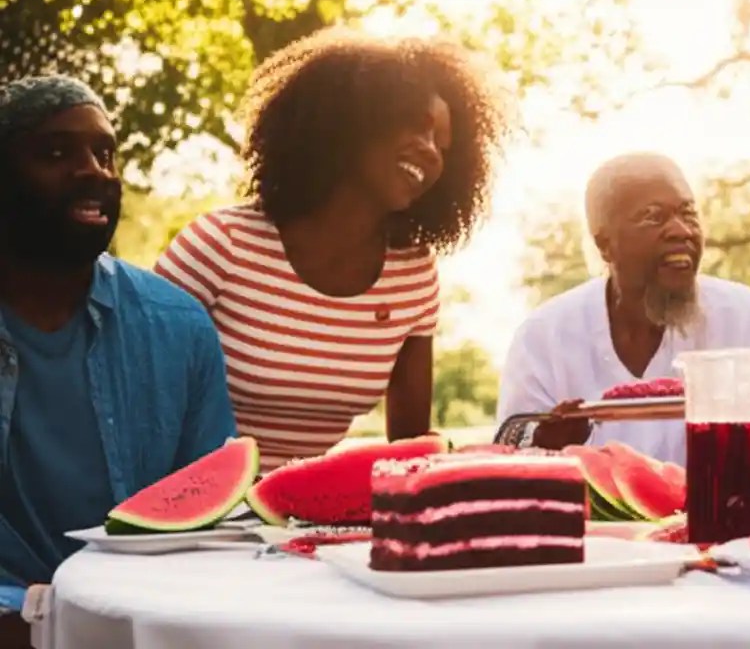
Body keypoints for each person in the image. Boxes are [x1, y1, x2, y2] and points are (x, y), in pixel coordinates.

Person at [156, 28, 509, 472]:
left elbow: (411, 446)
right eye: (418, 125)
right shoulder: (220, 245)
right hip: (184, 506)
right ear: (355, 119)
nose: (432, 152)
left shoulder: (412, 276)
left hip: (300, 524)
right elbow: (134, 385)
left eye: (443, 145)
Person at [0, 76, 236, 645]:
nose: (94, 171)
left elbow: (209, 519)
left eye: (105, 153)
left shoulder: (178, 325)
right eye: (56, 153)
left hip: (137, 618)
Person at [496, 153, 750, 464]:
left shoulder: (746, 318)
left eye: (688, 213)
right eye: (653, 216)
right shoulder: (542, 337)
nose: (681, 231)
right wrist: (544, 442)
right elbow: (513, 459)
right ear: (605, 245)